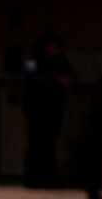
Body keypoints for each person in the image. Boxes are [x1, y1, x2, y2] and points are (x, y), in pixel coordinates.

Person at [22, 31, 74, 188]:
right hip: (36, 110)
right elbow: (31, 78)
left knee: (50, 144)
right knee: (36, 143)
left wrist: (61, 81)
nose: (54, 49)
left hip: (53, 109)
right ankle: (33, 178)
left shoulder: (61, 61)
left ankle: (49, 178)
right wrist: (56, 81)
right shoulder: (33, 62)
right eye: (52, 45)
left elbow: (71, 77)